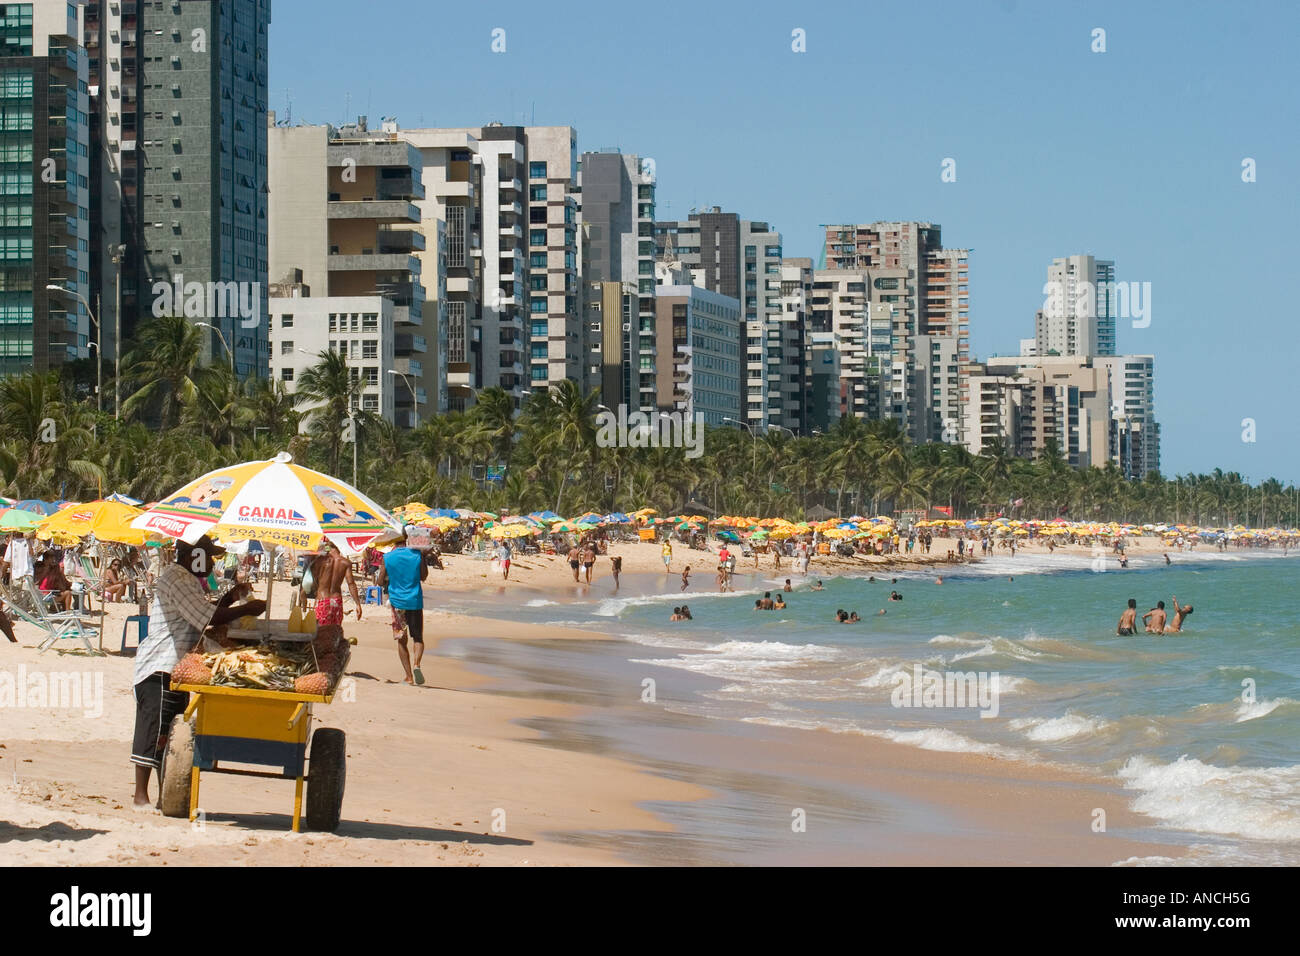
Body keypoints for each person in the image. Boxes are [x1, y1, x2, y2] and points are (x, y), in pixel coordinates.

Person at [131, 536, 265, 808]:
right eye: (209, 556)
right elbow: (207, 617)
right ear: (194, 555)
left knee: (171, 735)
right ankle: (140, 796)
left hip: (177, 666)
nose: (212, 562)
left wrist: (228, 598)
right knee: (155, 731)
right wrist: (247, 608)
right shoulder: (178, 580)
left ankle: (161, 797)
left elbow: (203, 612)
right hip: (160, 665)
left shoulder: (188, 580)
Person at [377, 529, 429, 685]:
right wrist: (423, 558)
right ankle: (417, 665)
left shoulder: (387, 557)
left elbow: (379, 582)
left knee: (401, 639)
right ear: (407, 539)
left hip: (397, 602)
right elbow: (423, 577)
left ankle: (409, 677)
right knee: (418, 637)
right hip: (414, 600)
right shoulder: (417, 555)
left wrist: (388, 577)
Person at [307, 541, 362, 649]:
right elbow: (351, 584)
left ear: (328, 547)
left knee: (320, 631)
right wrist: (357, 604)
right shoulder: (345, 562)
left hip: (322, 601)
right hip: (336, 601)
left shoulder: (321, 561)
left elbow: (311, 580)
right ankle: (332, 653)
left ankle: (322, 656)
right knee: (335, 631)